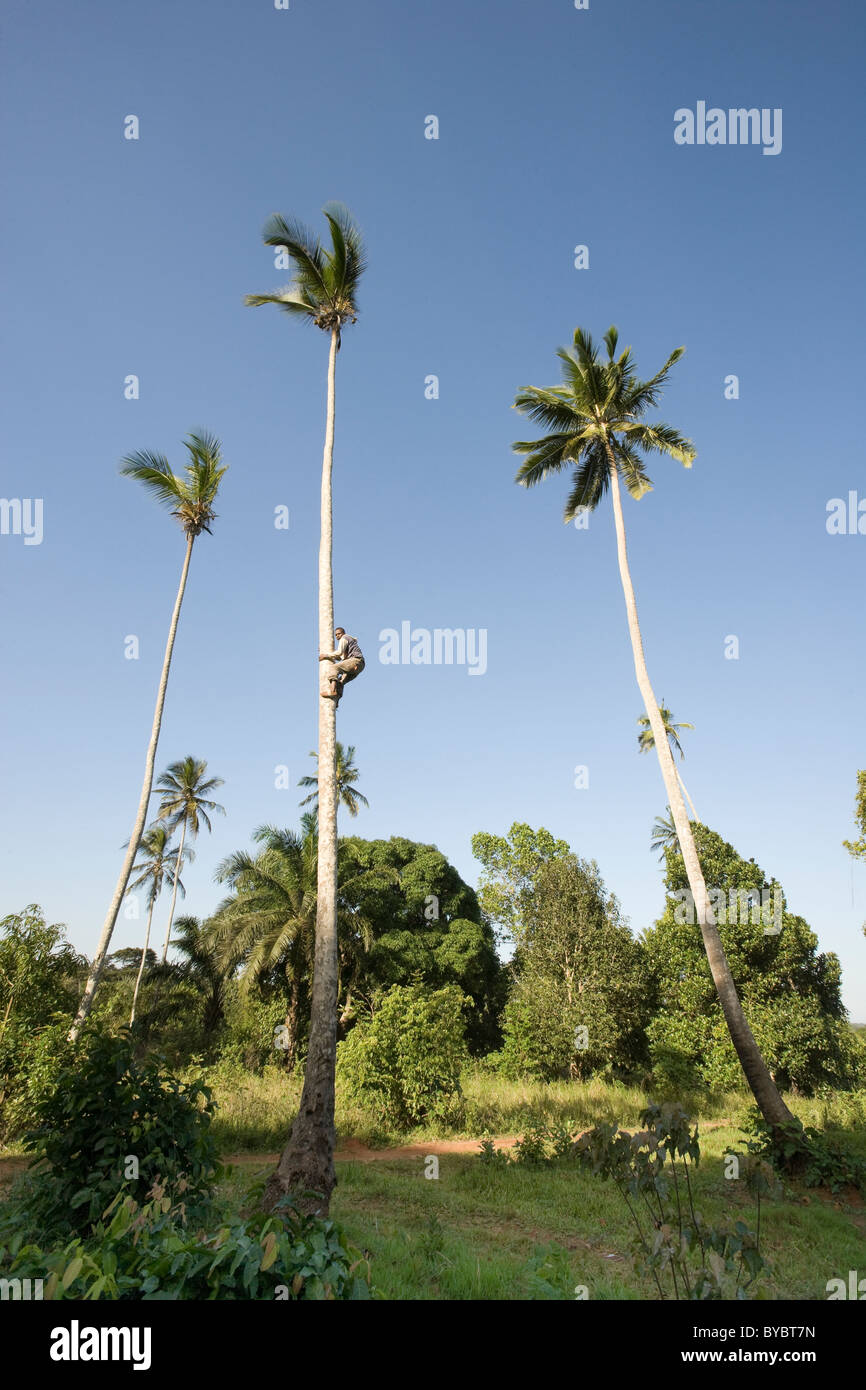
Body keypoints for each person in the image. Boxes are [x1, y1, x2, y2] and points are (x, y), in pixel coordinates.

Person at [319, 627, 365, 701]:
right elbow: (340, 657)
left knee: (333, 668)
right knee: (340, 682)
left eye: (339, 634)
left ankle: (332, 691)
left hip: (355, 661)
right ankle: (336, 701)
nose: (337, 636)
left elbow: (339, 653)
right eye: (336, 635)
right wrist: (323, 650)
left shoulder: (344, 638)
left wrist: (326, 655)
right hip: (360, 665)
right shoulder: (349, 641)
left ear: (343, 633)